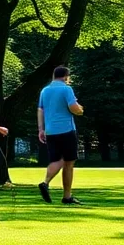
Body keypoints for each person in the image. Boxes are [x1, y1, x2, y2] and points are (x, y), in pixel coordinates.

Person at [37, 66, 85, 205]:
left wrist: (41, 129)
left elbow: (40, 110)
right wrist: (81, 109)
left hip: (50, 131)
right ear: (66, 76)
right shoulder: (66, 89)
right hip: (66, 129)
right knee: (68, 162)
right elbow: (74, 108)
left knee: (56, 160)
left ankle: (63, 194)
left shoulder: (45, 90)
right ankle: (55, 189)